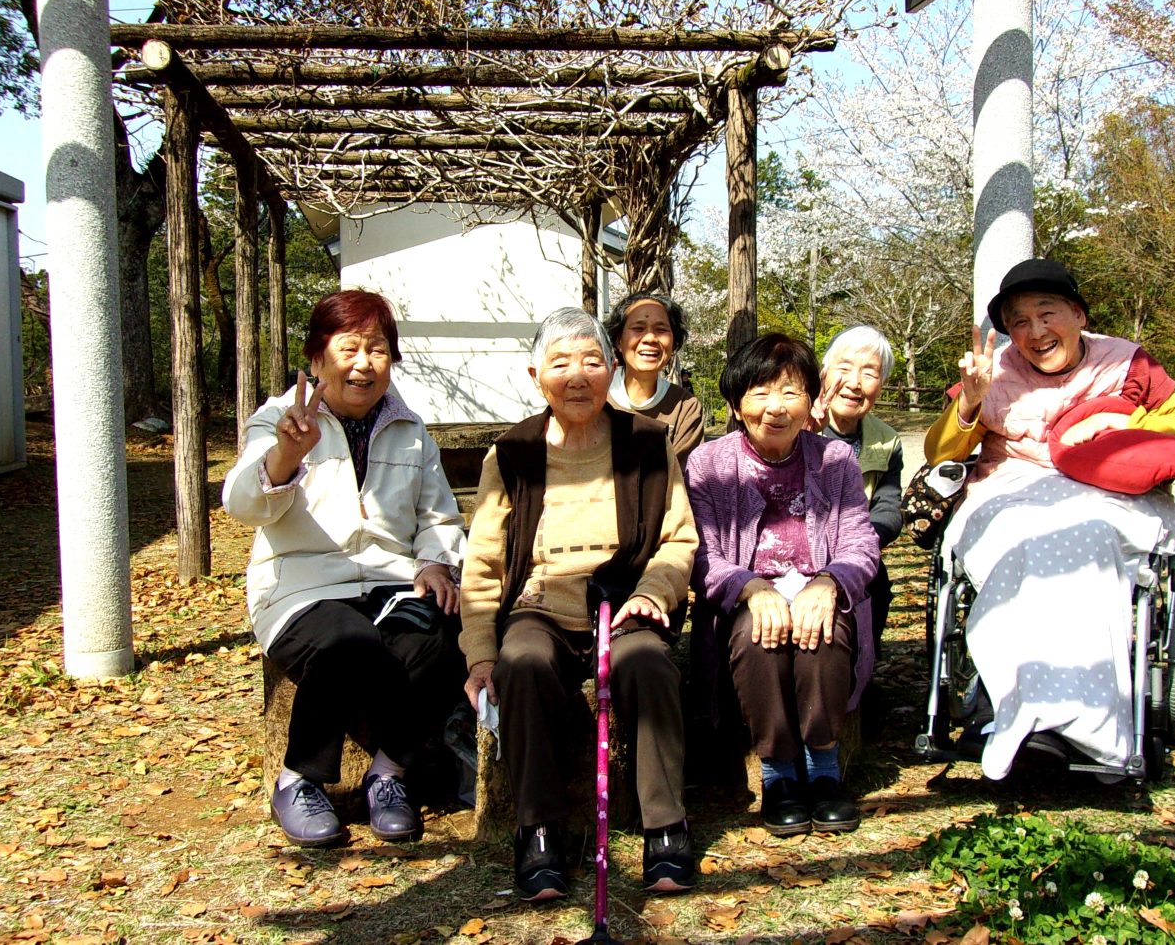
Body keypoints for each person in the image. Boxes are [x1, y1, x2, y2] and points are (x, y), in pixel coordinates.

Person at [925, 258, 1175, 781]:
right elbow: (938, 449)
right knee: (1016, 537)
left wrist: (1118, 419)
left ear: (1078, 314)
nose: (1034, 332)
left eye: (1047, 313)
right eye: (1018, 322)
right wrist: (969, 401)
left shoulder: (1125, 364)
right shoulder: (994, 371)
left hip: (1106, 490)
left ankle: (1071, 726)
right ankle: (1013, 707)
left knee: (1087, 539)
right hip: (1010, 487)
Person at [460, 308, 698, 901]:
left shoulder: (646, 443)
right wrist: (480, 653)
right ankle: (537, 831)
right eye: (560, 363)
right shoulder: (510, 454)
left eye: (592, 361)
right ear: (535, 373)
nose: (577, 376)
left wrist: (652, 593)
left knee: (646, 663)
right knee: (522, 665)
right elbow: (484, 563)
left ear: (611, 369)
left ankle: (665, 826)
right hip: (538, 606)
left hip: (623, 605)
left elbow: (678, 538)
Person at [222, 289, 465, 848]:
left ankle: (389, 773)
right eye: (348, 348)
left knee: (448, 634)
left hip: (389, 582)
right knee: (348, 643)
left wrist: (433, 562)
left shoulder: (409, 428)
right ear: (316, 358)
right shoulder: (278, 419)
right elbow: (241, 503)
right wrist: (285, 454)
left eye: (377, 349)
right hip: (301, 587)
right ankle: (299, 778)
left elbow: (438, 514)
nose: (363, 364)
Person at [686, 333, 880, 836]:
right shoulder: (708, 464)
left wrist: (829, 582)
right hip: (748, 595)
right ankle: (779, 772)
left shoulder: (835, 461)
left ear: (812, 401)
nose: (776, 407)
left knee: (823, 631)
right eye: (760, 392)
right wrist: (752, 589)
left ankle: (823, 766)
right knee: (760, 633)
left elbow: (861, 545)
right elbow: (703, 555)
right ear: (734, 402)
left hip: (817, 587)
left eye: (791, 392)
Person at [815, 325, 904, 653]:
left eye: (869, 372)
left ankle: (860, 675)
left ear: (881, 385)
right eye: (844, 368)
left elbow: (888, 509)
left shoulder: (887, 440)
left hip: (856, 548)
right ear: (823, 373)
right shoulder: (791, 420)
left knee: (876, 582)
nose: (854, 383)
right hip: (790, 546)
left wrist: (860, 543)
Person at [603, 291, 705, 461]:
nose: (650, 338)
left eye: (661, 330)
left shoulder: (685, 408)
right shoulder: (596, 396)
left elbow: (680, 478)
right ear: (618, 340)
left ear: (674, 344)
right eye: (638, 329)